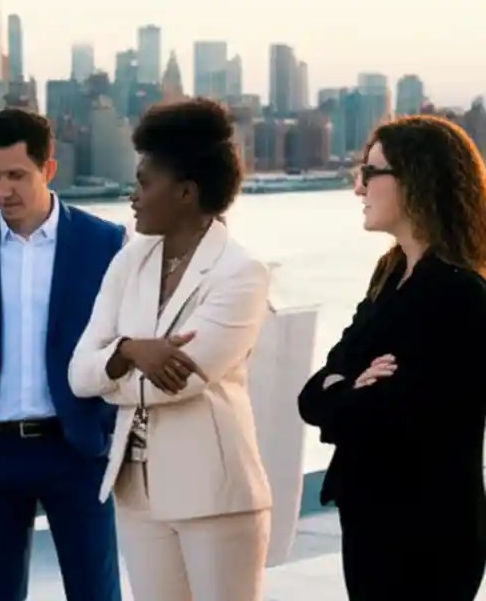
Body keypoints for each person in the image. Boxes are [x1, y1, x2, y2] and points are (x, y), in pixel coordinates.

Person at [68, 99, 272, 601]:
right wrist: (132, 350)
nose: (132, 196)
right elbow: (78, 373)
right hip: (137, 490)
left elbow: (180, 382)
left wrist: (111, 370)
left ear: (185, 192)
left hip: (215, 495)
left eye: (144, 183)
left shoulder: (240, 272)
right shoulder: (129, 261)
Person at [0, 108, 125, 601]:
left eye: (16, 175)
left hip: (76, 448)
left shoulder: (103, 242)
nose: (2, 191)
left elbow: (122, 343)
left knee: (96, 593)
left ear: (48, 169)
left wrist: (105, 431)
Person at [298, 114, 486, 600]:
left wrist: (347, 390)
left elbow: (405, 416)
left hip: (428, 531)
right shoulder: (389, 276)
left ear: (416, 179)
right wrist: (352, 385)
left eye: (370, 171)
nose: (357, 186)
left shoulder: (460, 294)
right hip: (369, 517)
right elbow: (312, 393)